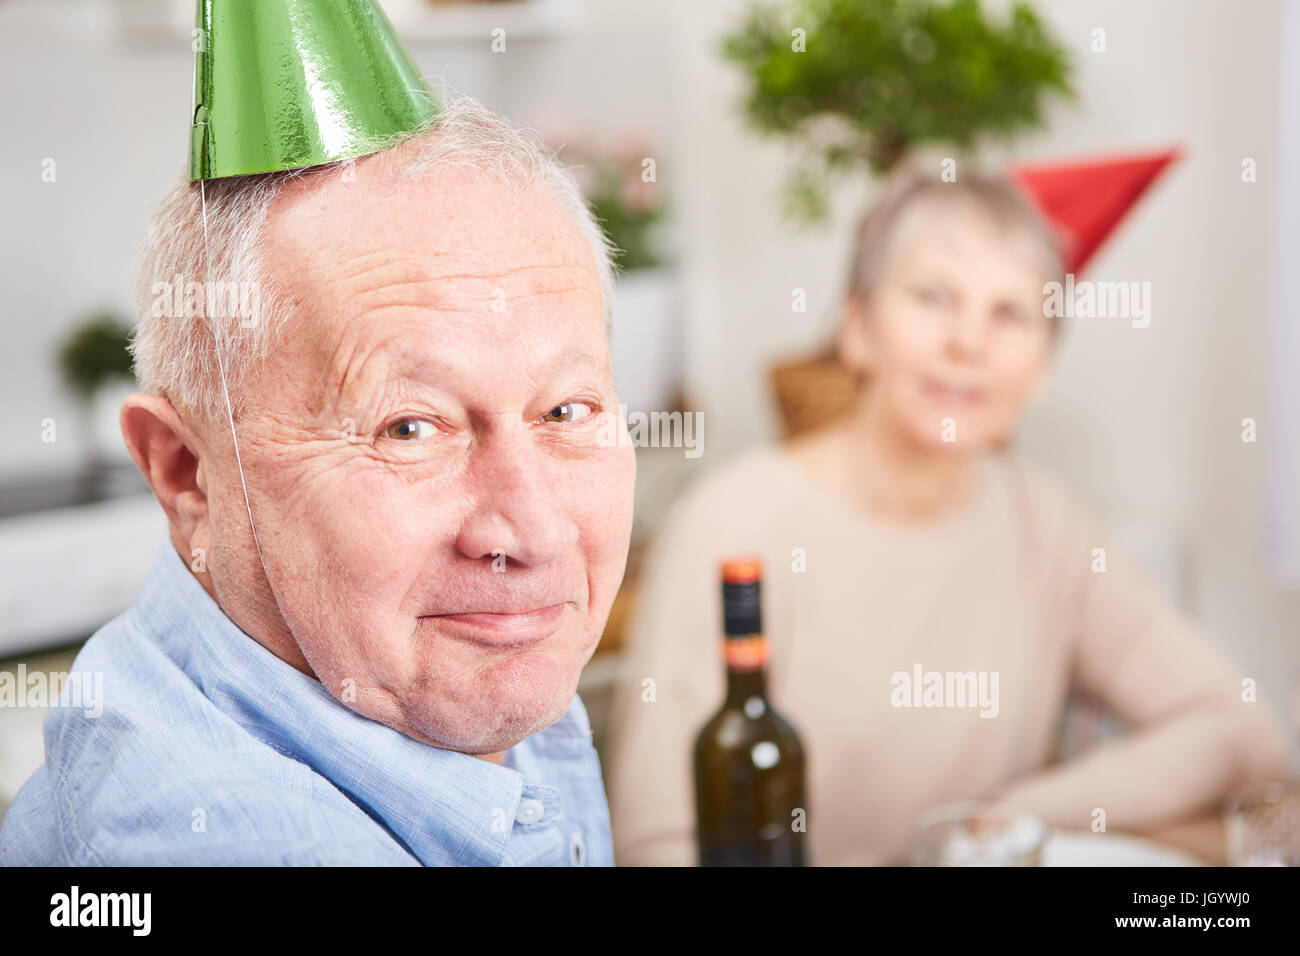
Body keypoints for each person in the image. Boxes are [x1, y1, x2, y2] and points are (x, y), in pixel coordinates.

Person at [0, 92, 636, 865]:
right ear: (187, 474)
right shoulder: (228, 843)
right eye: (409, 428)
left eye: (567, 410)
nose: (534, 532)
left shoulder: (438, 677)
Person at [604, 170, 1289, 866]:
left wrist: (1017, 814)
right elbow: (654, 844)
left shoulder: (1047, 528)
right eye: (934, 296)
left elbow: (1239, 733)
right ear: (858, 329)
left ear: (1044, 364)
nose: (968, 342)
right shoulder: (731, 526)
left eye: (1011, 314)